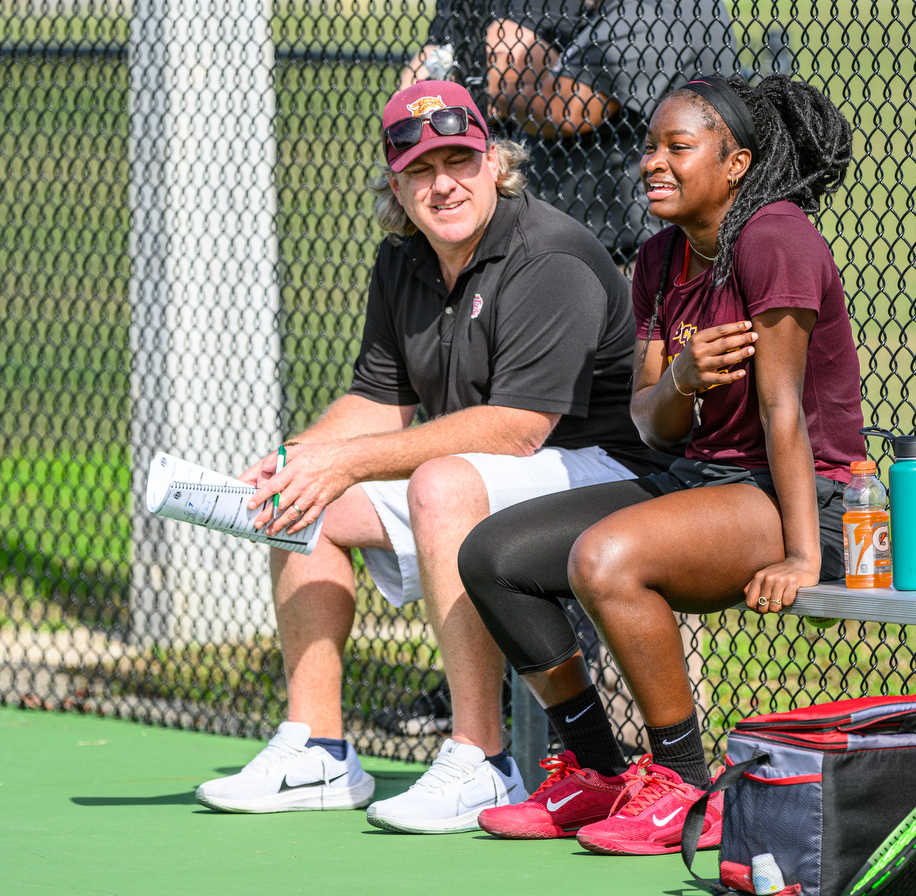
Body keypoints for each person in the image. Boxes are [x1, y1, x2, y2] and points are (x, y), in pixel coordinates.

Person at [193, 80, 671, 832]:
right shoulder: (403, 262)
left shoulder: (552, 255)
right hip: (511, 465)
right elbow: (379, 401)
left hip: (610, 472)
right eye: (421, 169)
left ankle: (483, 760)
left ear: (494, 163)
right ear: (396, 184)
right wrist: (299, 457)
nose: (443, 183)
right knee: (309, 499)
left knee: (441, 485)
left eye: (459, 161)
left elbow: (519, 428)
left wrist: (348, 461)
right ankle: (316, 748)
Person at [457, 73, 866, 855]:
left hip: (809, 498)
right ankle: (596, 771)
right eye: (649, 146)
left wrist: (803, 554)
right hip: (704, 480)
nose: (653, 163)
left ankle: (684, 786)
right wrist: (682, 377)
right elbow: (652, 422)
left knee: (605, 557)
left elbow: (786, 412)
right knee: (495, 555)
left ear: (736, 162)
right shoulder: (658, 258)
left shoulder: (775, 237)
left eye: (677, 147)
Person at [401, 0, 737, 261]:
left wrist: (486, 89)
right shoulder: (610, 13)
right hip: (607, 236)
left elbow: (569, 108)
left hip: (636, 243)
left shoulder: (651, 10)